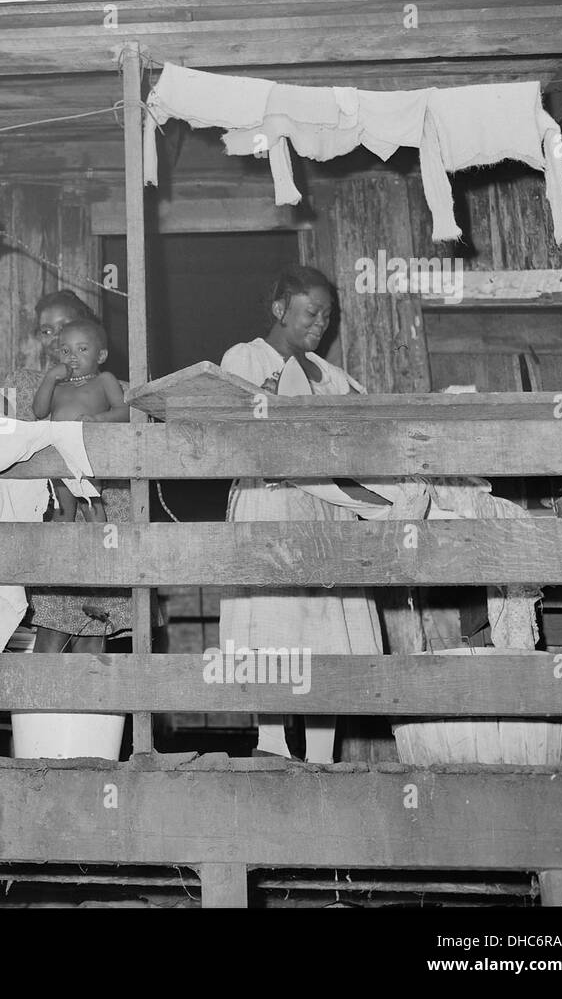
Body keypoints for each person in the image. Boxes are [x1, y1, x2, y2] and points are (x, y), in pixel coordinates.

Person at [218, 265, 383, 764]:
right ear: (279, 308)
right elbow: (236, 422)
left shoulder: (329, 373)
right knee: (273, 619)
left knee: (321, 627)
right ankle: (271, 743)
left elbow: (361, 423)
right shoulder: (245, 356)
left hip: (324, 510)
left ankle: (321, 754)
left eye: (327, 317)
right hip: (270, 501)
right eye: (312, 312)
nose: (320, 324)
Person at [1, 290, 133, 654]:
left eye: (67, 328)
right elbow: (26, 426)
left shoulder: (114, 385)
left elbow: (127, 419)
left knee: (96, 630)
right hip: (49, 506)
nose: (61, 342)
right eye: (48, 333)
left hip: (103, 501)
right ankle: (44, 709)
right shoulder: (30, 381)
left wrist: (100, 420)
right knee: (51, 627)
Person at [32, 316, 129, 523]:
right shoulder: (57, 386)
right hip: (57, 453)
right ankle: (60, 553)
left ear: (101, 355)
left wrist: (98, 419)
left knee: (90, 503)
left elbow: (125, 411)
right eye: (66, 351)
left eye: (82, 349)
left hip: (87, 451)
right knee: (61, 509)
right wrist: (49, 379)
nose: (72, 357)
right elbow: (39, 412)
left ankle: (102, 550)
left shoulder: (104, 380)